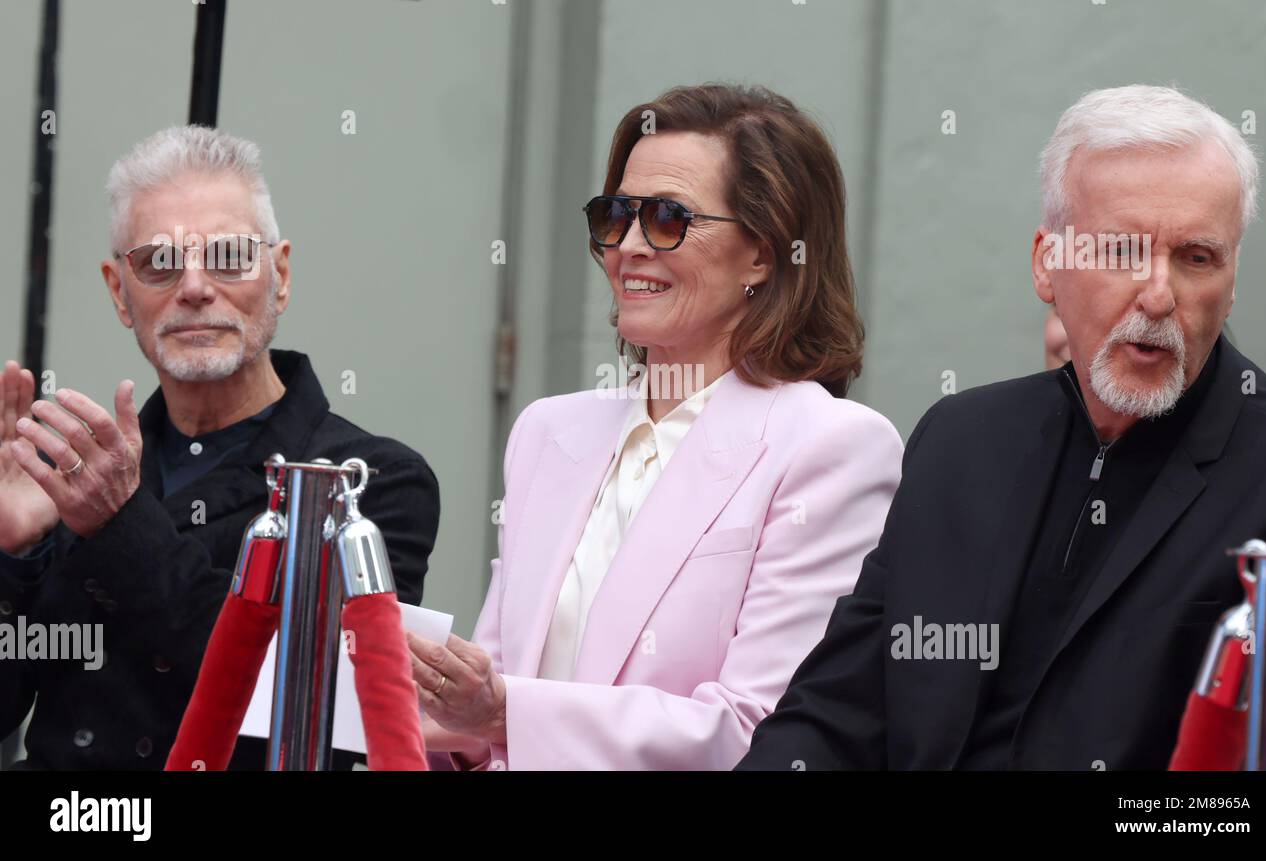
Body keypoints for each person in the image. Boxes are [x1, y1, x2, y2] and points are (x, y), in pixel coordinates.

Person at [739, 85, 1266, 770]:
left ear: (1232, 279)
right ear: (1047, 262)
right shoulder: (961, 441)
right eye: (1122, 251)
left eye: (1197, 258)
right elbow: (835, 712)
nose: (1159, 294)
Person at [408, 84, 902, 770]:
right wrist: (435, 709)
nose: (630, 246)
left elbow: (762, 728)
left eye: (669, 218)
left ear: (763, 255)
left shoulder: (831, 446)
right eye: (616, 215)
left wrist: (500, 711)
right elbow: (493, 691)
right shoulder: (549, 430)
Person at [0, 126, 440, 770]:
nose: (196, 287)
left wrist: (122, 524)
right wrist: (10, 553)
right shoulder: (73, 473)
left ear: (280, 275)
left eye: (230, 255)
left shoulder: (370, 480)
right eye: (158, 262)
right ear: (120, 292)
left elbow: (308, 702)